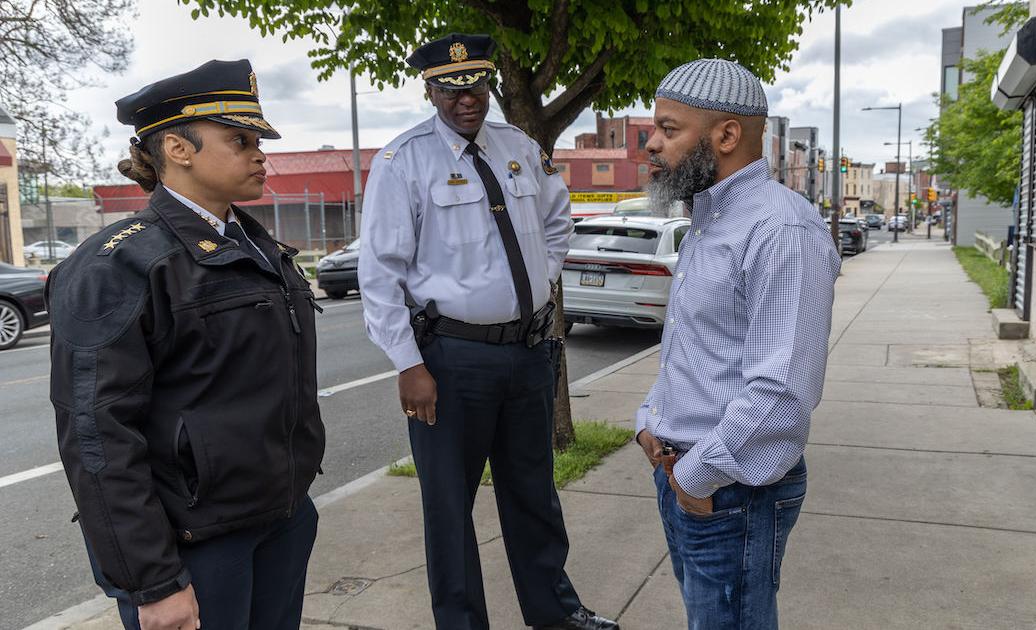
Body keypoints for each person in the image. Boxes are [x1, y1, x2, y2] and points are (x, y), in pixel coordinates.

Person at [47, 59, 325, 630]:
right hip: (195, 545)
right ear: (178, 148)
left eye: (258, 140)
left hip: (281, 519)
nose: (260, 154)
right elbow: (98, 438)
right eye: (240, 140)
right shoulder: (119, 265)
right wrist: (152, 583)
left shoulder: (253, 244)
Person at [357, 33, 618, 630]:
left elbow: (557, 220)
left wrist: (538, 277)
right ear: (429, 90)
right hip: (450, 362)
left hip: (527, 355)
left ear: (489, 84)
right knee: (449, 508)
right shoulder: (405, 162)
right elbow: (380, 275)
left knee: (534, 497)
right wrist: (408, 363)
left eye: (474, 84)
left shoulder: (519, 146)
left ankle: (555, 613)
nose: (464, 99)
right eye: (449, 88)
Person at [634, 58, 841, 629]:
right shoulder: (709, 219)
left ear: (726, 135)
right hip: (687, 473)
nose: (651, 144)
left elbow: (780, 392)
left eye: (669, 129)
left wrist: (697, 476)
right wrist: (650, 420)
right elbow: (694, 348)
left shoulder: (780, 228)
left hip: (730, 493)